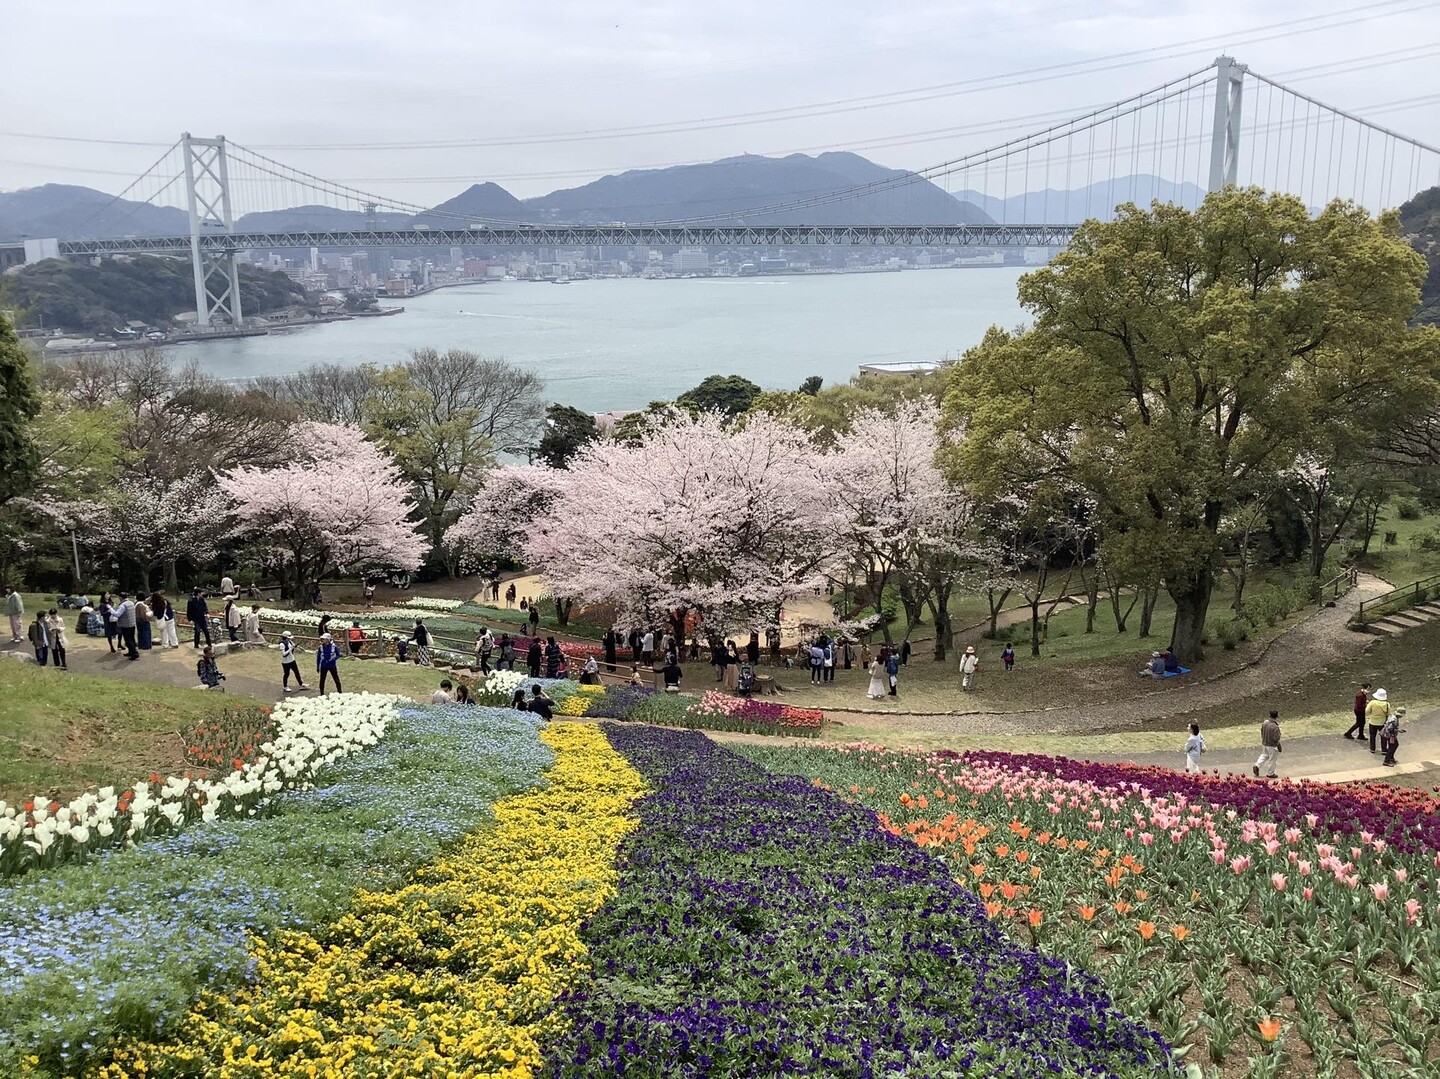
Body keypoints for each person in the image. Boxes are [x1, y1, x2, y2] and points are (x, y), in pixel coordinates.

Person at [1254, 710, 1282, 779]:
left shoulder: (1265, 723)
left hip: (1264, 743)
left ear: (1269, 715)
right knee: (1272, 759)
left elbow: (1261, 731)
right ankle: (1270, 773)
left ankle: (1257, 765)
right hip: (1272, 745)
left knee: (1264, 755)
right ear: (1277, 717)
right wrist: (1278, 745)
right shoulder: (1275, 727)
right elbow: (1276, 738)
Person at [115, 593, 139, 660]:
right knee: (132, 639)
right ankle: (131, 652)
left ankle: (134, 653)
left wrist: (111, 610)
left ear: (120, 597)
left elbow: (117, 614)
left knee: (128, 640)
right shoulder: (131, 603)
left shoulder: (123, 605)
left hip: (126, 625)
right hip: (132, 623)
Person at [1366, 688, 1390, 753]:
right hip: (1382, 722)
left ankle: (1372, 748)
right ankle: (1384, 749)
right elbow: (1388, 713)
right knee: (1383, 736)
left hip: (1373, 722)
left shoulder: (1372, 703)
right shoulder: (1387, 704)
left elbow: (1367, 711)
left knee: (1372, 735)